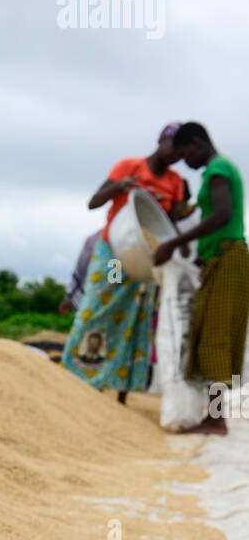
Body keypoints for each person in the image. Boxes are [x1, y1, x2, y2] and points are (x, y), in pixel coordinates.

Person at [61, 124, 189, 403]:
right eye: (174, 146)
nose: (177, 155)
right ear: (161, 140)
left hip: (145, 259)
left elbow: (171, 224)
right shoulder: (130, 166)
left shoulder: (175, 182)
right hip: (117, 252)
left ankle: (120, 386)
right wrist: (119, 187)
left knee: (136, 314)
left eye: (182, 151)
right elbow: (93, 202)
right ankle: (77, 375)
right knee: (101, 307)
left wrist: (182, 248)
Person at [154, 123, 248, 434]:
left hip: (230, 258)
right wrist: (198, 255)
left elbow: (222, 214)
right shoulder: (218, 169)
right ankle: (215, 414)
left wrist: (172, 243)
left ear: (196, 143)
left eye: (184, 153)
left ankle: (217, 419)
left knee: (216, 338)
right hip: (218, 258)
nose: (184, 160)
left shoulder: (218, 169)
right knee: (211, 335)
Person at [59, 229, 104, 315]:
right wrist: (68, 297)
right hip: (90, 303)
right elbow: (79, 273)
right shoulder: (93, 241)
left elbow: (114, 280)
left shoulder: (119, 242)